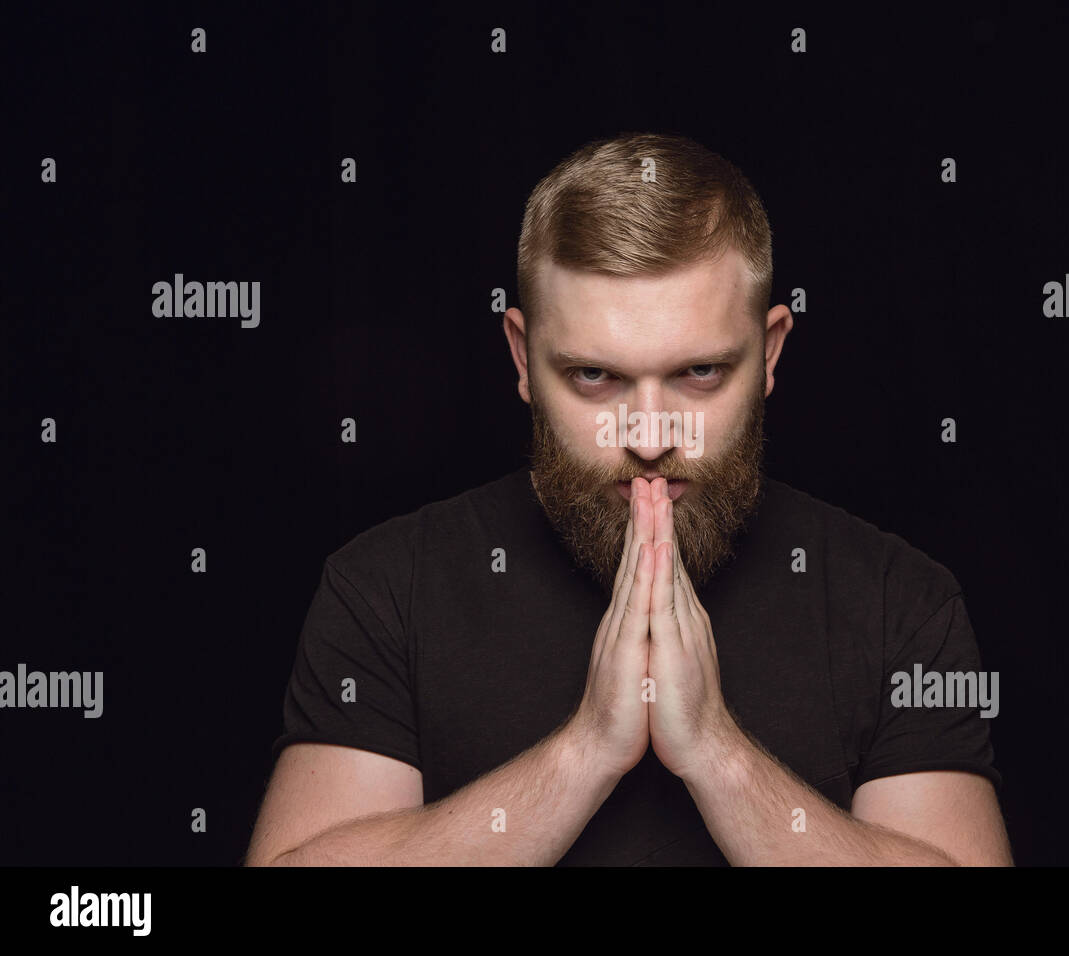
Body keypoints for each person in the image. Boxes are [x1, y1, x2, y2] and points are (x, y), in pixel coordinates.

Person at [244, 132, 1014, 866]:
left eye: (700, 373)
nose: (650, 435)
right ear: (521, 356)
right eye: (595, 377)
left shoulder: (899, 600)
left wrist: (717, 754)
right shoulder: (385, 588)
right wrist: (586, 752)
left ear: (771, 351)